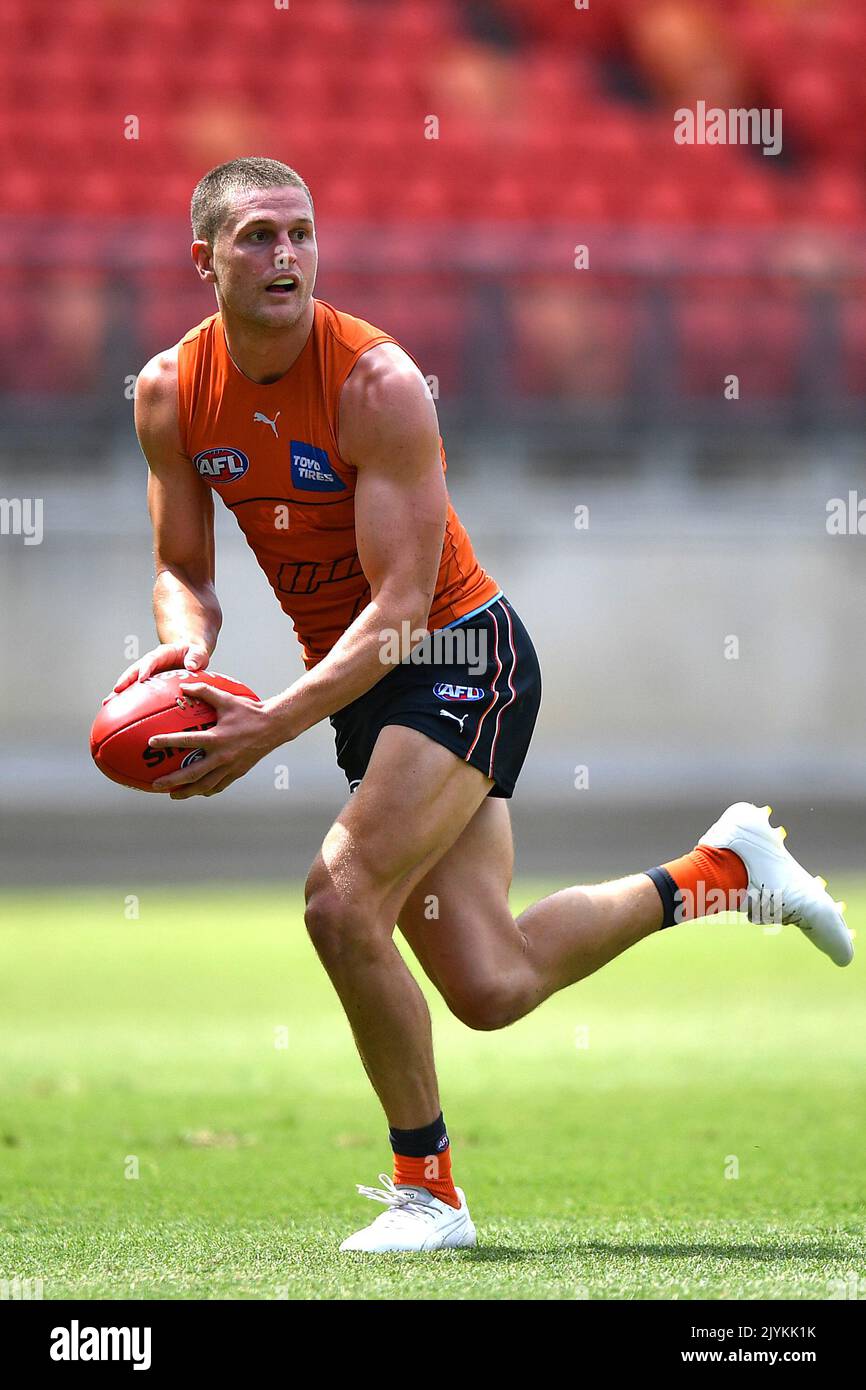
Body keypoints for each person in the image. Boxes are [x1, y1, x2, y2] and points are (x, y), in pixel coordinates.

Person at [112, 157, 853, 1254]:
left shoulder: (376, 384)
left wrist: (270, 721)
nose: (286, 256)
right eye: (259, 236)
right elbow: (188, 568)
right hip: (364, 682)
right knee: (491, 983)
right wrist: (182, 652)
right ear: (203, 259)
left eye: (301, 233)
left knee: (338, 899)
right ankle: (720, 872)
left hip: (459, 652)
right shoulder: (171, 391)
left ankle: (430, 1193)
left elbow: (405, 606)